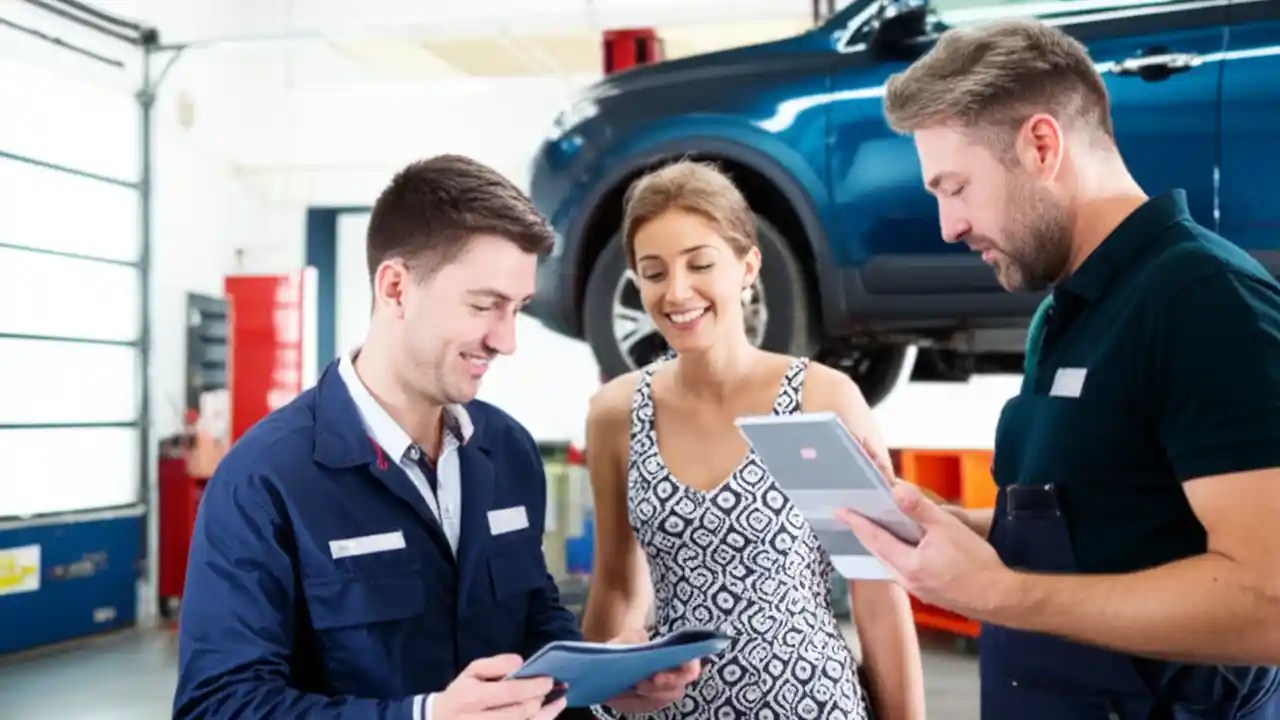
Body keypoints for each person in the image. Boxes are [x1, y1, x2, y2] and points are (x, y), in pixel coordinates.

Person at [837, 18, 1280, 720]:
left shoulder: (1204, 301)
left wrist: (999, 593)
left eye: (956, 187)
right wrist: (948, 527)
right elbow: (1109, 520)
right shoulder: (1064, 313)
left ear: (1041, 146)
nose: (949, 226)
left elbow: (1268, 603)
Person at [173, 154, 698, 720]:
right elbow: (217, 705)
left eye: (517, 309)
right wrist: (422, 715)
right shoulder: (264, 479)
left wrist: (597, 680)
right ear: (396, 288)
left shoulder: (507, 450)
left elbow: (534, 620)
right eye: (484, 306)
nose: (506, 341)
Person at [581, 159, 927, 720]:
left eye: (700, 264)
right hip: (674, 712)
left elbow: (878, 593)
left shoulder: (819, 399)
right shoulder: (616, 413)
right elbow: (617, 588)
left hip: (811, 705)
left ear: (748, 266)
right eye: (653, 272)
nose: (677, 291)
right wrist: (607, 683)